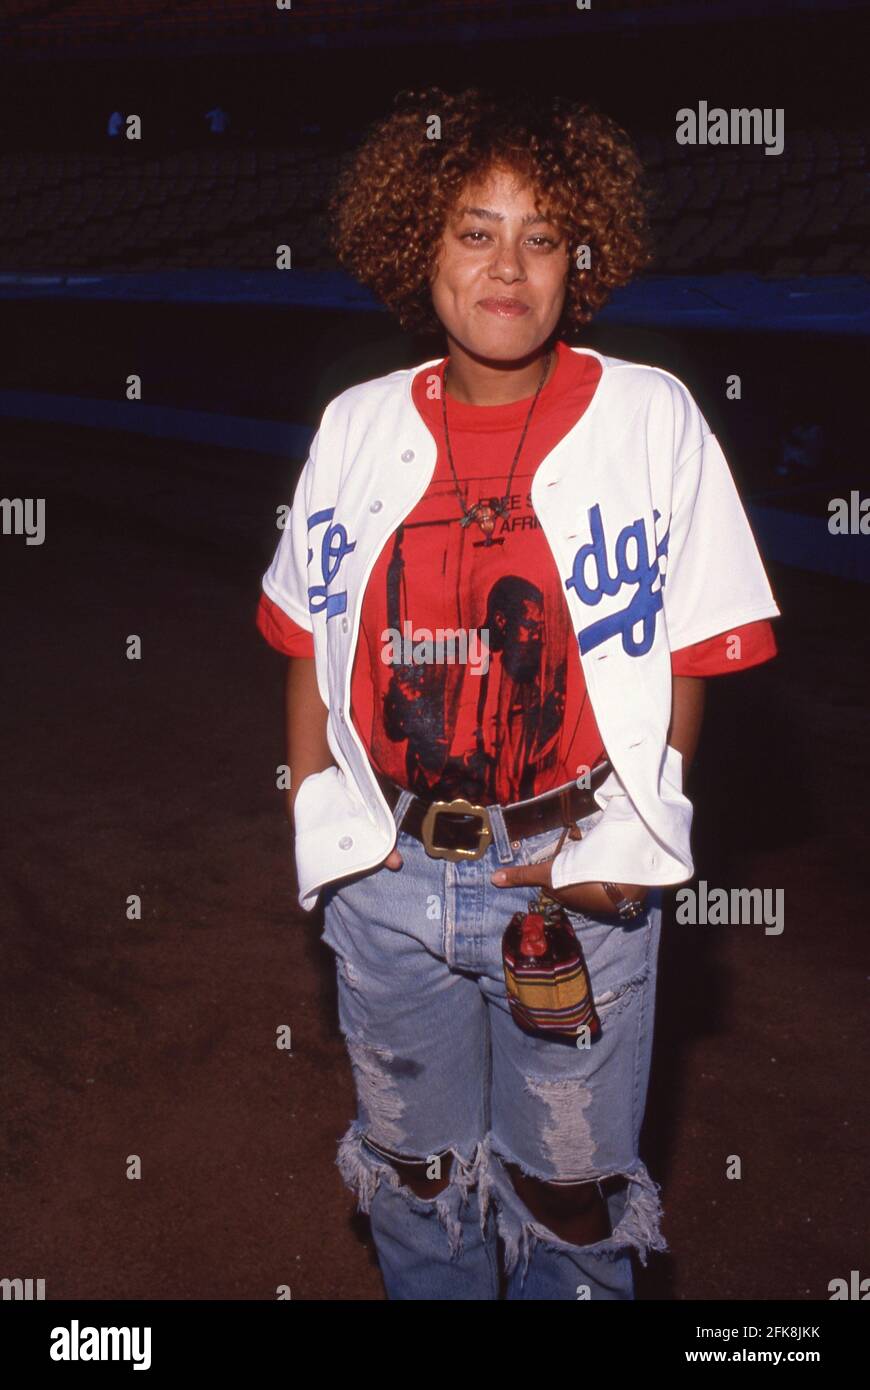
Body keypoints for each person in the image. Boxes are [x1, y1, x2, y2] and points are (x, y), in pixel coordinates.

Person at [256, 86, 781, 1300]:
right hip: (386, 887)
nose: (508, 265)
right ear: (418, 248)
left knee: (569, 1206)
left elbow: (695, 643)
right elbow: (305, 632)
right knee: (415, 1183)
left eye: (541, 235)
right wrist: (324, 821)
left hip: (568, 885)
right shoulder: (355, 424)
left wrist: (632, 841)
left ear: (578, 256)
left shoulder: (651, 416)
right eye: (473, 230)